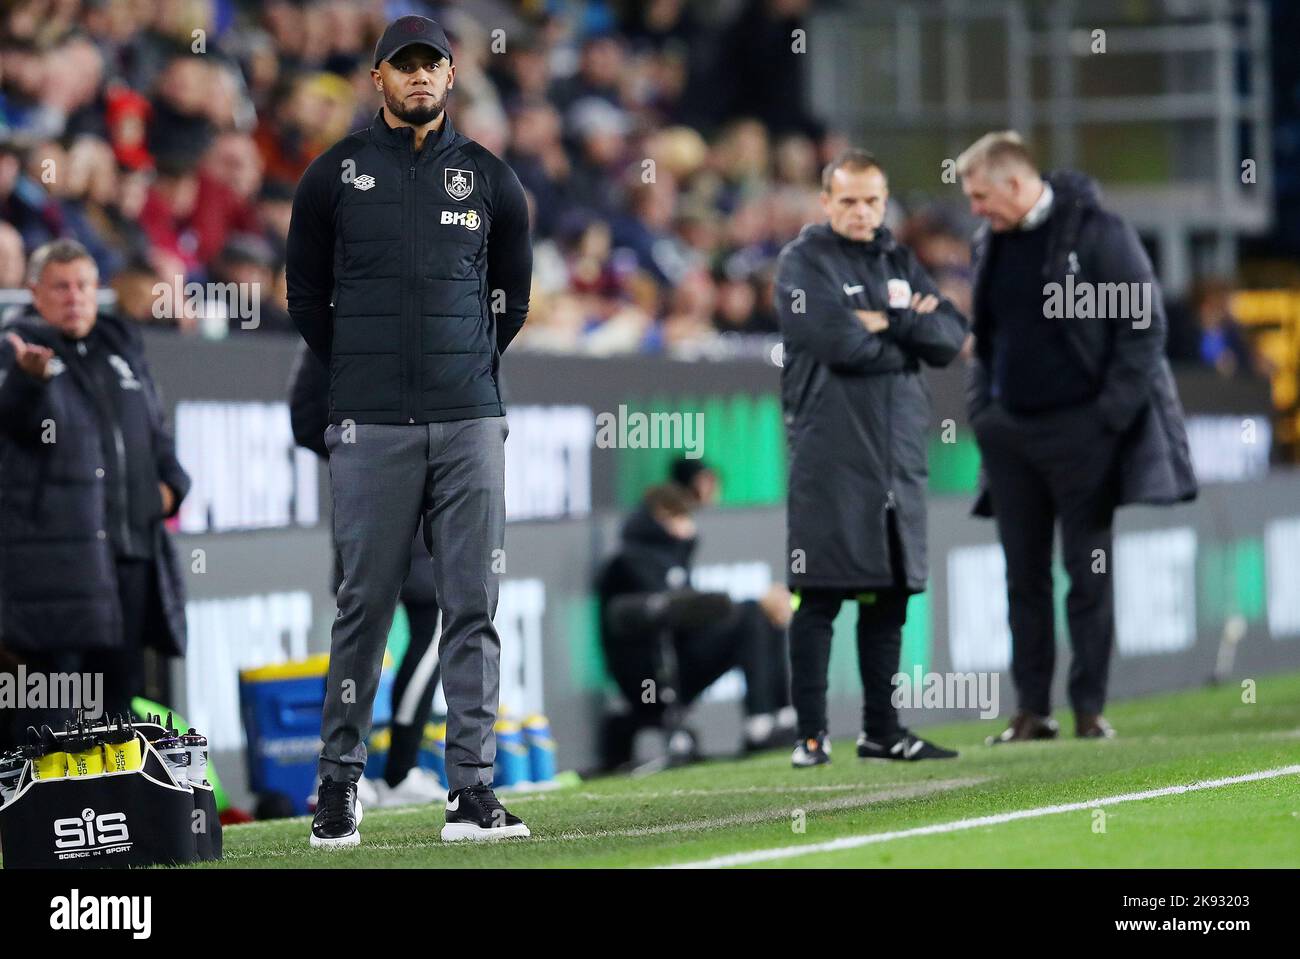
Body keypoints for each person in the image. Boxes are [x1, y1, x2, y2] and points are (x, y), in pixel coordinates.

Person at [286, 15, 533, 846]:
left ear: (452, 76)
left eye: (432, 66)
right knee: (364, 606)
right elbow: (304, 300)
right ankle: (338, 787)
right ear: (377, 79)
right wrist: (365, 375)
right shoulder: (332, 176)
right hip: (368, 423)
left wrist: (460, 369)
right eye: (404, 67)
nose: (419, 78)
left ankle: (471, 791)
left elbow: (513, 302)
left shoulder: (495, 181)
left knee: (474, 604)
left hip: (470, 420)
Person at [956, 132, 1196, 744]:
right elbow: (987, 337)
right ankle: (1032, 710)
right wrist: (984, 411)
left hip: (1081, 431)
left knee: (1087, 572)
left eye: (981, 195)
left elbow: (1143, 327)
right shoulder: (992, 241)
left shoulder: (1098, 232)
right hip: (1011, 434)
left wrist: (1106, 419)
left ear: (1014, 182)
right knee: (1021, 577)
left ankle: (1089, 708)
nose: (975, 209)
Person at [774, 149, 968, 768]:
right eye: (849, 200)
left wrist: (886, 324)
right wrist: (905, 329)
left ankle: (883, 731)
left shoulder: (899, 258)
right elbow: (838, 342)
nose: (862, 212)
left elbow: (950, 337)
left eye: (873, 201)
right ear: (826, 202)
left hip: (897, 457)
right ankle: (810, 735)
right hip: (831, 455)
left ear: (885, 203)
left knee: (891, 595)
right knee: (820, 593)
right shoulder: (804, 262)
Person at [0, 239, 190, 742]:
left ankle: (120, 816)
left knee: (119, 701)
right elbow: (18, 421)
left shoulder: (120, 346)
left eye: (83, 285)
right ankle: (31, 817)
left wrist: (171, 489)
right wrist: (27, 382)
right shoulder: (17, 348)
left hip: (129, 557)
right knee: (53, 705)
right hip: (57, 568)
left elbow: (155, 434)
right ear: (35, 292)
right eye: (60, 287)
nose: (74, 297)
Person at [287, 343, 449, 807]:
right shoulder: (334, 325)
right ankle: (336, 777)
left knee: (430, 634)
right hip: (365, 503)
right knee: (357, 638)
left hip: (429, 506)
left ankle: (400, 770)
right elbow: (305, 420)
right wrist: (371, 450)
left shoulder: (435, 311)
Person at [595, 484, 794, 767]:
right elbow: (671, 612)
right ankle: (758, 725)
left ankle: (780, 715)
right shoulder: (631, 560)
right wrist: (725, 606)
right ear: (663, 516)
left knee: (763, 613)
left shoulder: (670, 554)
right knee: (751, 611)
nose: (690, 526)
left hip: (678, 659)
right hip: (650, 674)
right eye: (682, 517)